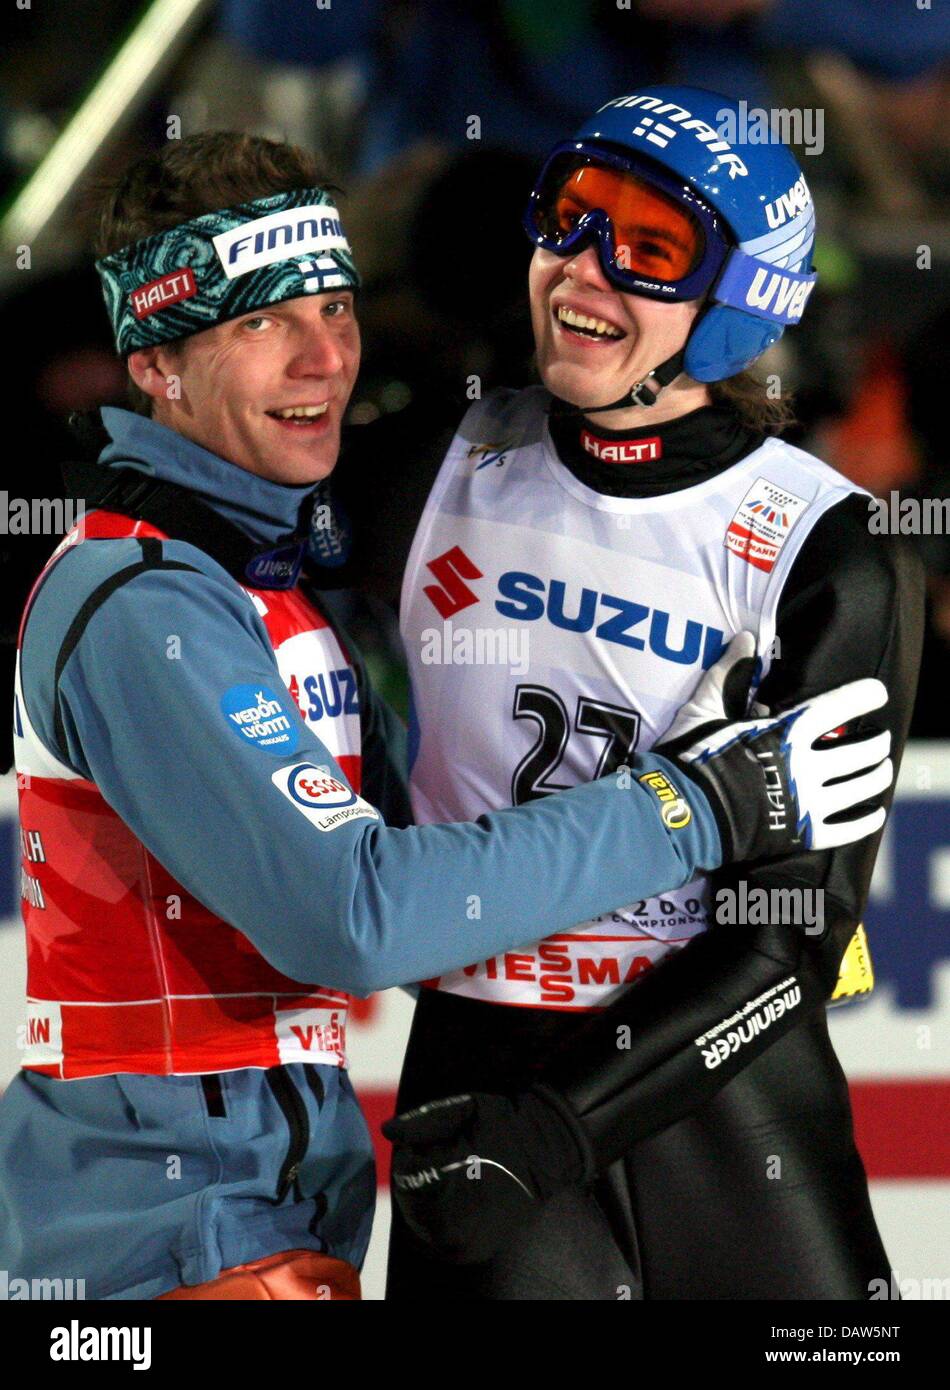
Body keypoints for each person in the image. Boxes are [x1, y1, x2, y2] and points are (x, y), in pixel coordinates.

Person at [0, 133, 884, 1303]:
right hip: (162, 1229)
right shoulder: (148, 602)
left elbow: (786, 941)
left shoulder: (265, 565)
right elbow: (361, 911)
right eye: (262, 321)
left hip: (266, 1204)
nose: (323, 360)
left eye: (333, 305)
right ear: (155, 358)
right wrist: (701, 802)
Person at [317, 85, 925, 1299]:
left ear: (733, 305)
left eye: (649, 249)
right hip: (481, 1065)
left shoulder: (821, 545)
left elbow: (788, 946)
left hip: (716, 1100)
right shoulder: (427, 457)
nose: (584, 270)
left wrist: (557, 1127)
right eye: (572, 219)